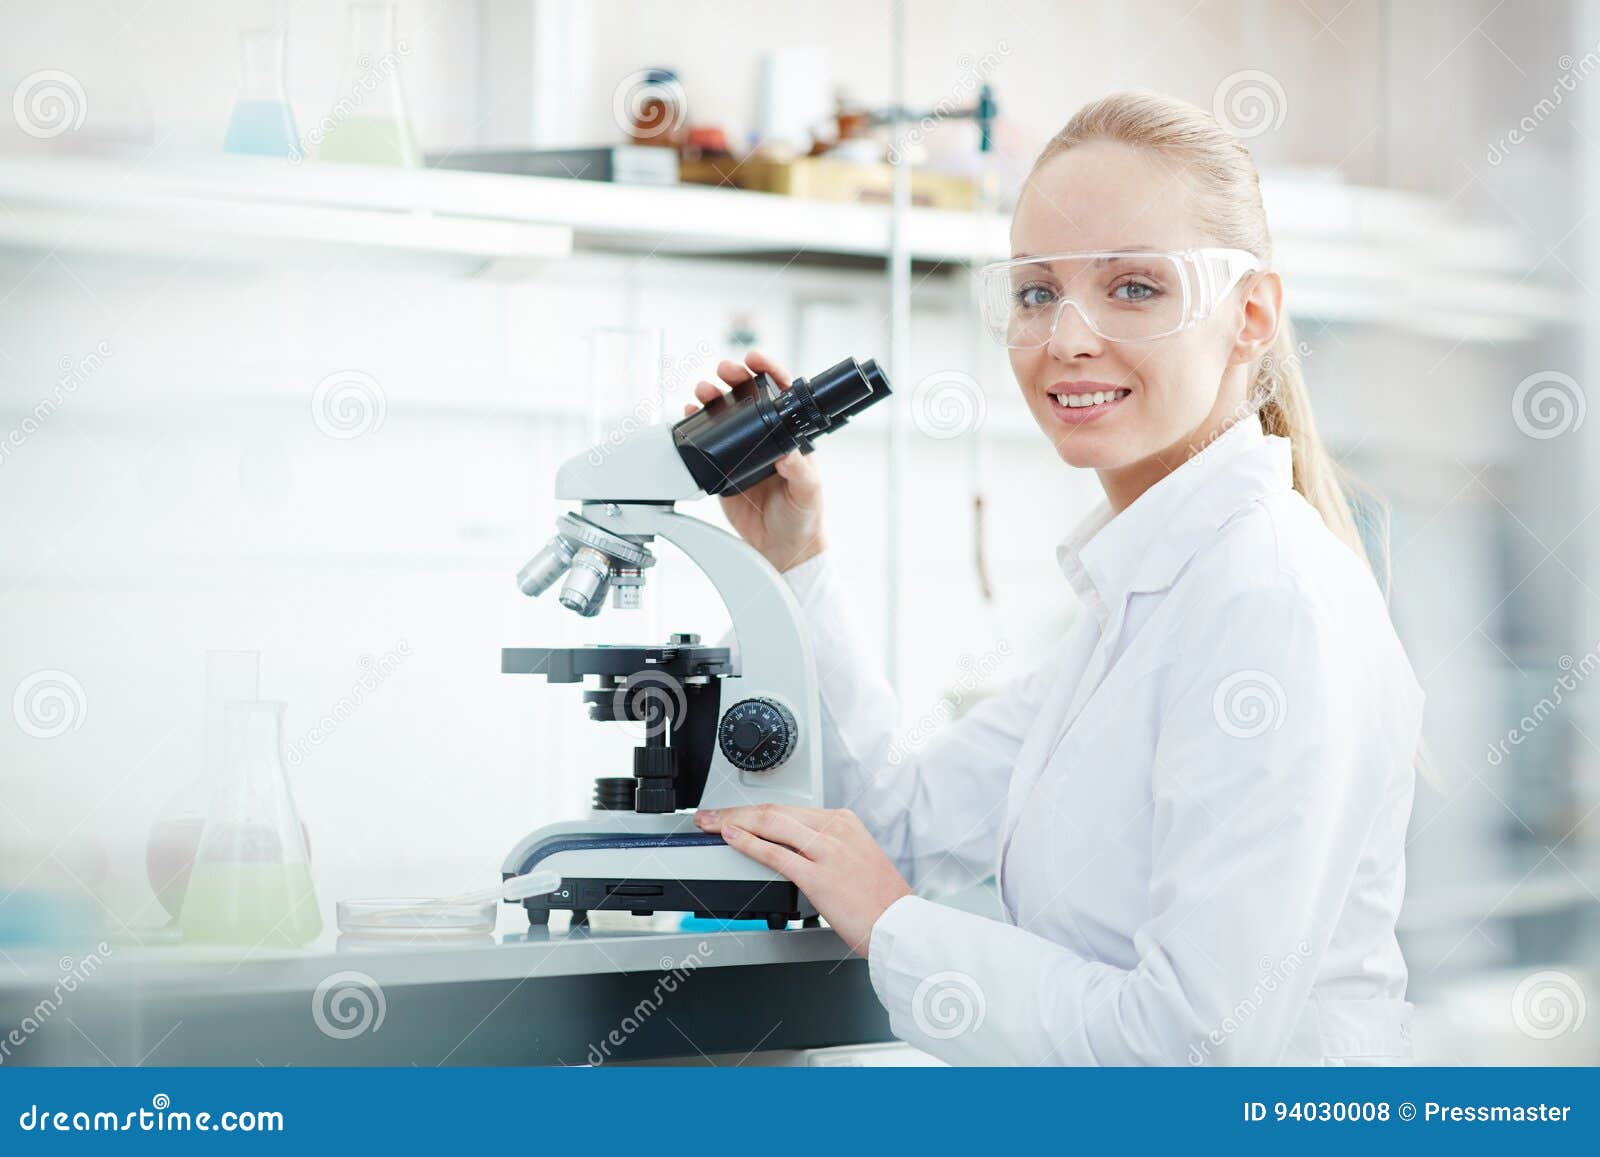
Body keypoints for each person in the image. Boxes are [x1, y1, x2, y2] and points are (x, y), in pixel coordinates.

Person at [684, 91, 1424, 1066]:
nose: (1067, 337)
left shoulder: (1266, 603)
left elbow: (1190, 1053)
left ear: (1250, 316)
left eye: (1133, 287)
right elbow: (893, 823)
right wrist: (794, 557)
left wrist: (898, 924)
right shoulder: (1144, 599)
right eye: (1036, 292)